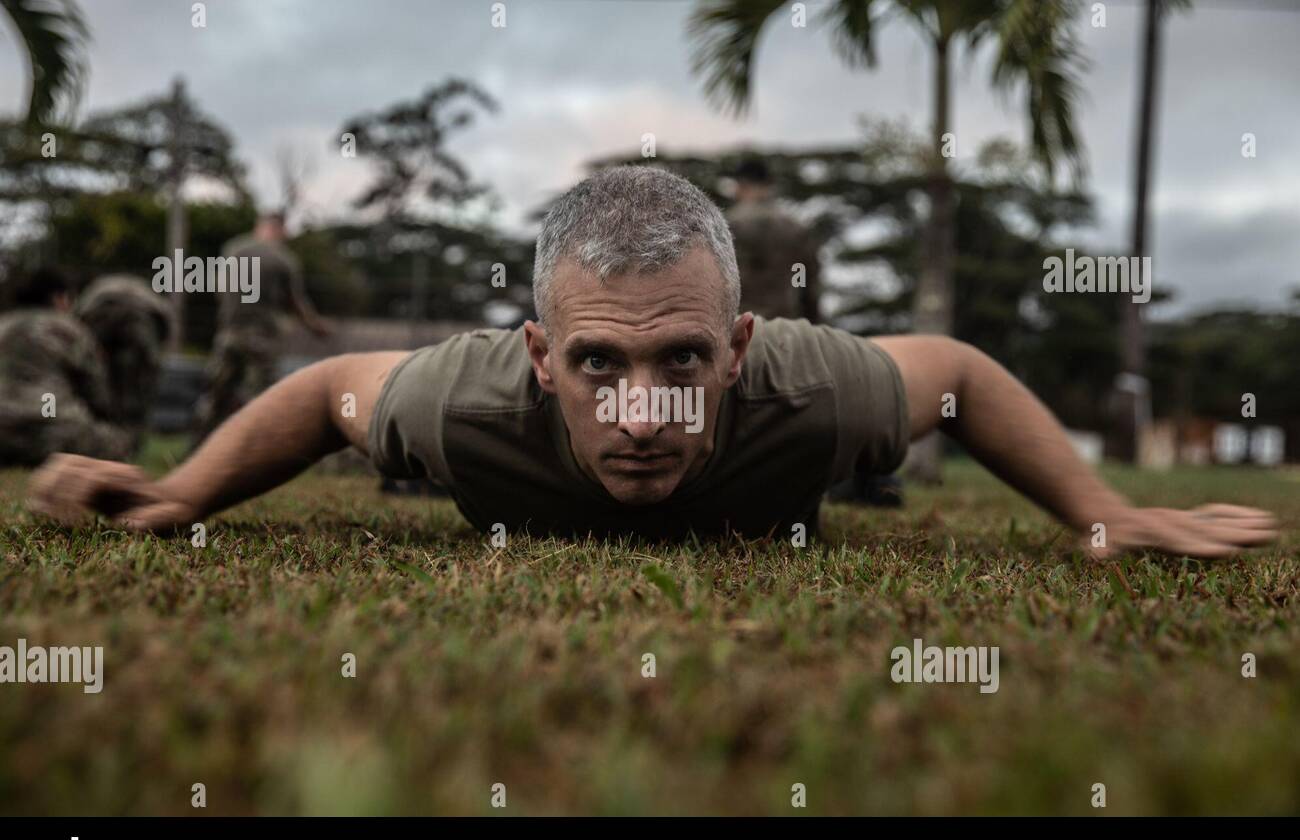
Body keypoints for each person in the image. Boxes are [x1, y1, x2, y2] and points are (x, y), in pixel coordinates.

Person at [27, 167, 1276, 558]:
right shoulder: (462, 402)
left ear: (737, 350)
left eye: (682, 357)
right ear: (535, 357)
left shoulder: (808, 384)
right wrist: (186, 491)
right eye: (592, 366)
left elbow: (953, 367)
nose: (637, 411)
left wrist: (1101, 511)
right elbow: (319, 392)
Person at [0, 271, 169, 466]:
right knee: (121, 443)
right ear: (59, 298)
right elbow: (98, 395)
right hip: (49, 430)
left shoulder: (3, 325)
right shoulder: (67, 329)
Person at [192, 212, 331, 440]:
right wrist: (316, 326)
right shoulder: (284, 259)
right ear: (280, 229)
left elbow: (219, 290)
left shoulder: (233, 249)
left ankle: (199, 446)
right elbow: (296, 302)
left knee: (216, 395)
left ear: (259, 226)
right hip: (262, 338)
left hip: (228, 334)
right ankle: (260, 449)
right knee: (263, 397)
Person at [725, 157, 821, 323]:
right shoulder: (795, 227)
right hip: (786, 324)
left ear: (741, 185)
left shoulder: (728, 225)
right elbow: (803, 277)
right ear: (769, 184)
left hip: (740, 325)